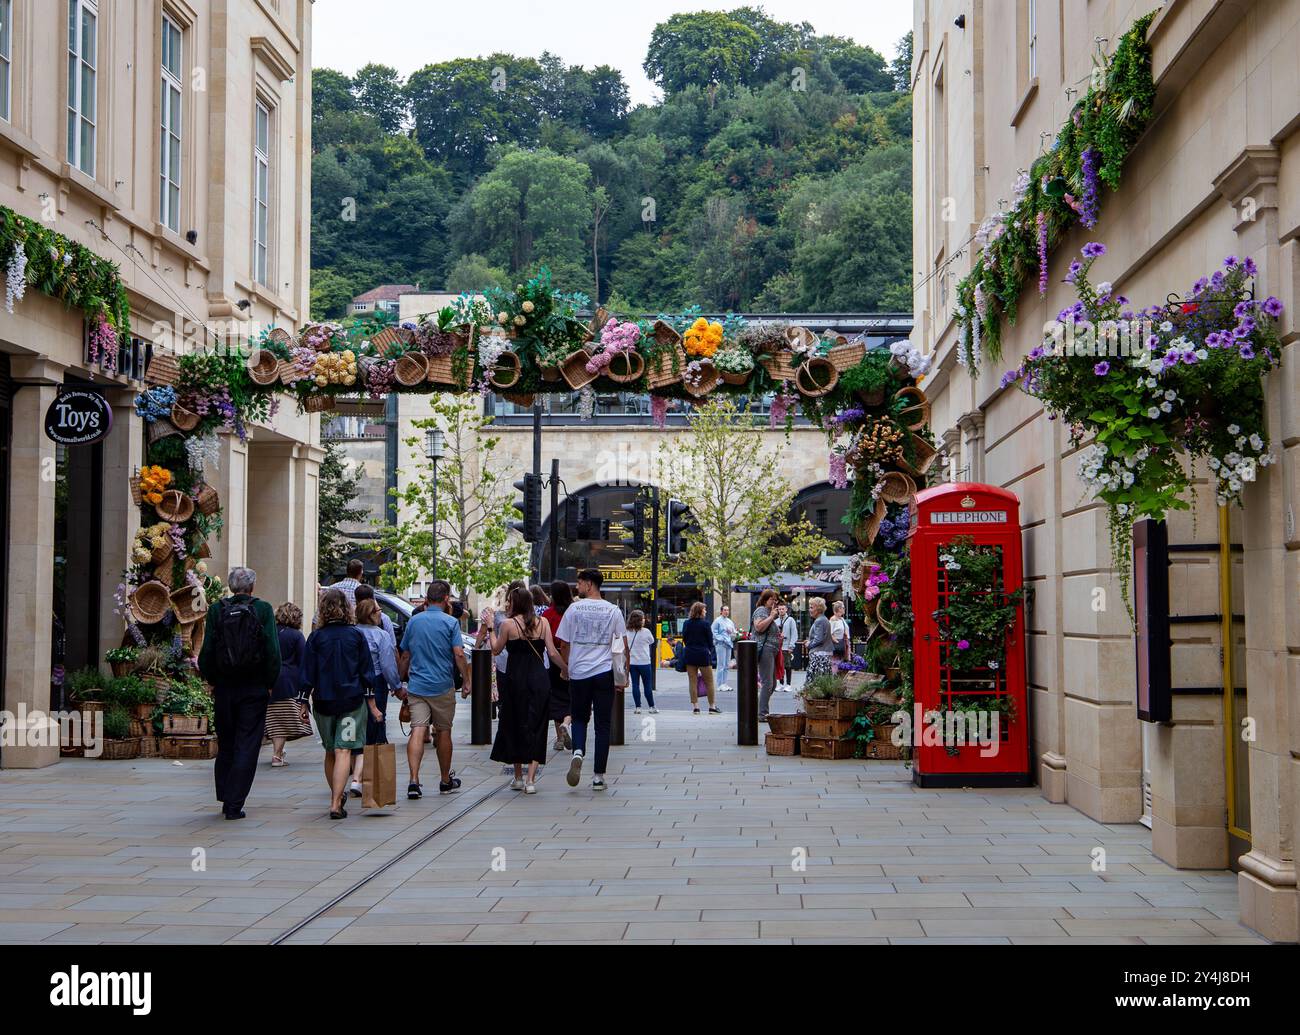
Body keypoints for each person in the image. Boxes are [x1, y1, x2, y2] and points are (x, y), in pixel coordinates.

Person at [198, 567, 282, 820]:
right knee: (247, 744)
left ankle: (225, 794)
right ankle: (234, 802)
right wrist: (269, 683)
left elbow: (207, 652)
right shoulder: (264, 609)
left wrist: (212, 680)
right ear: (253, 587)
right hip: (254, 688)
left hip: (224, 688)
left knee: (227, 743)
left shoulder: (217, 610)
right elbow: (273, 651)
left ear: (231, 587)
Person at [298, 589, 383, 820]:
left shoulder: (316, 637)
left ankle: (336, 795)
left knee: (330, 751)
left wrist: (303, 701)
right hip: (351, 701)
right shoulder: (356, 636)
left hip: (324, 701)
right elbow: (367, 672)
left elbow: (307, 672)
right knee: (344, 748)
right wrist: (373, 704)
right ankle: (336, 803)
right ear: (347, 608)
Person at [488, 586, 567, 793]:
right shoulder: (543, 623)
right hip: (539, 679)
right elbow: (551, 652)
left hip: (516, 680)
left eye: (510, 601)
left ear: (516, 603)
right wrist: (566, 669)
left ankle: (518, 777)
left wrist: (489, 629)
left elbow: (495, 649)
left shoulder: (507, 624)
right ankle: (531, 780)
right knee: (537, 725)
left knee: (515, 724)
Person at [555, 568, 626, 792]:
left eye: (579, 583)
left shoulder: (574, 609)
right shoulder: (613, 610)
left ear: (589, 584)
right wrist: (623, 676)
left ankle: (577, 752)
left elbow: (564, 643)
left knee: (579, 718)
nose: (577, 587)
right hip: (603, 672)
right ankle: (598, 776)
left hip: (579, 673)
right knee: (603, 725)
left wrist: (567, 667)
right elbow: (622, 645)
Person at [398, 580, 470, 798]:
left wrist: (399, 681)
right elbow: (458, 653)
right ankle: (445, 779)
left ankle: (413, 780)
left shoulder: (415, 622)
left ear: (426, 599)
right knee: (444, 731)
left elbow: (405, 655)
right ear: (446, 599)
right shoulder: (450, 622)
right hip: (442, 686)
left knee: (418, 730)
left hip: (418, 686)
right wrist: (466, 680)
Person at [349, 598, 401, 797]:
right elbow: (387, 665)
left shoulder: (352, 633)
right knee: (376, 725)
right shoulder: (381, 635)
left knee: (355, 726)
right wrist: (396, 686)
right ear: (371, 614)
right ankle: (367, 778)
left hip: (354, 684)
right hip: (376, 683)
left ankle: (356, 773)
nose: (381, 614)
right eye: (379, 610)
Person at [267, 602, 312, 768]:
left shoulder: (271, 633)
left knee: (275, 719)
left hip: (271, 680)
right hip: (290, 682)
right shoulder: (296, 636)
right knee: (284, 719)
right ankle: (277, 755)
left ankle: (277, 752)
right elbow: (304, 661)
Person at [544, 580, 574, 750]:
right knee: (572, 695)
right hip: (573, 657)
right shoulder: (573, 612)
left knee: (556, 697)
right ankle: (568, 723)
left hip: (554, 659)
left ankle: (560, 738)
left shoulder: (548, 614)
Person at [682, 601, 720, 714]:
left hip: (690, 654)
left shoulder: (686, 623)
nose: (706, 611)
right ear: (700, 611)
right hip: (703, 655)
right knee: (709, 681)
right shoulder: (705, 624)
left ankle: (696, 707)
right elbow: (710, 641)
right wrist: (709, 650)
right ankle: (712, 707)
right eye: (704, 609)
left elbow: (684, 638)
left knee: (692, 681)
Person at [751, 588, 781, 722]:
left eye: (776, 600)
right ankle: (762, 714)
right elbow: (758, 627)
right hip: (765, 650)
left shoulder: (769, 613)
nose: (774, 602)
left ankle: (758, 708)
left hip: (772, 651)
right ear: (765, 599)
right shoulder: (761, 611)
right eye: (771, 599)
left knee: (772, 684)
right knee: (767, 683)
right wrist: (771, 617)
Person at [626, 610, 656, 713]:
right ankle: (651, 707)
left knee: (635, 685)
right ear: (640, 620)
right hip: (644, 662)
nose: (644, 620)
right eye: (643, 618)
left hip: (632, 663)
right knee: (647, 685)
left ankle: (638, 707)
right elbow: (652, 641)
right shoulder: (646, 632)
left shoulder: (627, 631)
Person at [806, 597, 835, 677]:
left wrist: (809, 644)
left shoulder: (820, 620)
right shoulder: (823, 619)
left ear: (818, 609)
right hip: (822, 654)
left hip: (820, 655)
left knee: (816, 680)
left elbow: (819, 639)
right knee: (822, 679)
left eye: (811, 607)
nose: (809, 610)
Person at [711, 605, 737, 692]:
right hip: (721, 644)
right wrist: (721, 639)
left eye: (728, 610)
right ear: (721, 611)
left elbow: (733, 632)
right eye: (725, 610)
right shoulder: (717, 621)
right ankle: (719, 684)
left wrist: (733, 634)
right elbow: (714, 632)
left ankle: (724, 683)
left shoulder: (730, 621)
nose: (726, 611)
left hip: (729, 644)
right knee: (721, 665)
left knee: (726, 665)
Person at [777, 604, 800, 692]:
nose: (781, 610)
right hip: (778, 647)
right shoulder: (776, 621)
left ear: (786, 609)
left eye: (783, 609)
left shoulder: (791, 620)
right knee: (780, 666)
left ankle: (788, 684)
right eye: (779, 609)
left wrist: (791, 646)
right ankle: (781, 683)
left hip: (787, 647)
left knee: (787, 665)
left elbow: (794, 633)